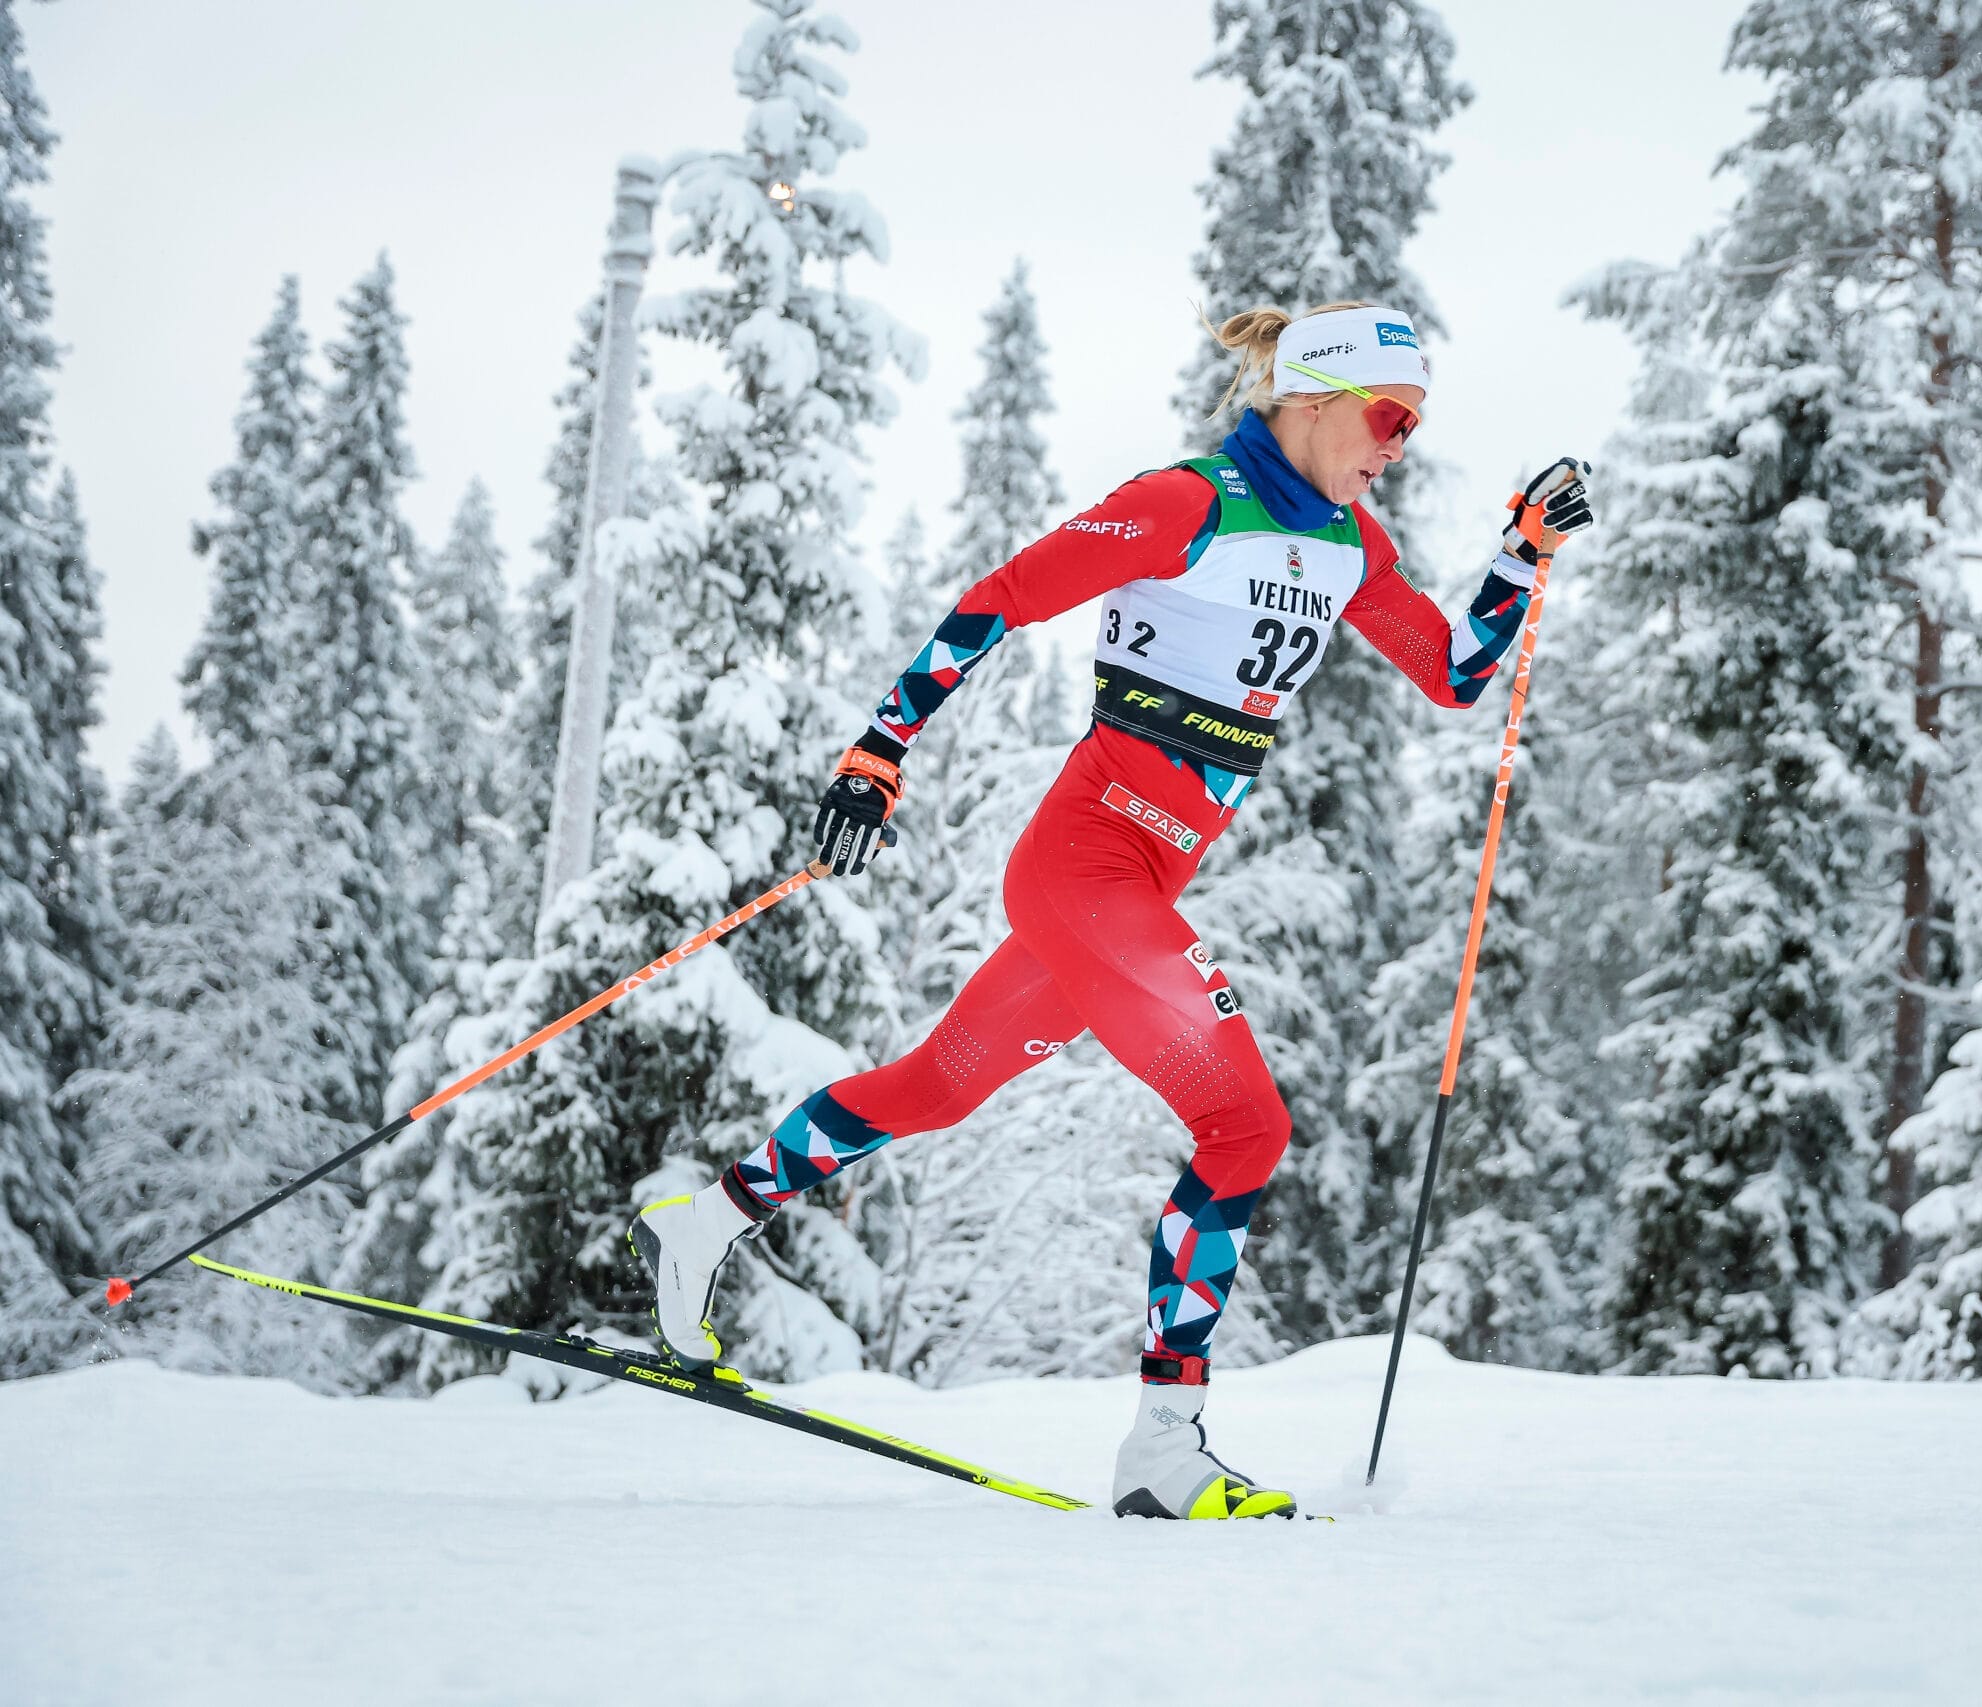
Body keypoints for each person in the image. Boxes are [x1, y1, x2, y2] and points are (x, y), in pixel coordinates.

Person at [628, 301, 1592, 1519]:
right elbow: (999, 597)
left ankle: (701, 1225)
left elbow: (1454, 675)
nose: (1396, 443)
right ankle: (1164, 1452)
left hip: (1136, 884)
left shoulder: (1350, 544)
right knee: (1245, 1126)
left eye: (1411, 427)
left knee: (933, 1087)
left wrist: (1520, 551)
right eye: (1387, 417)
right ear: (1309, 398)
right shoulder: (1189, 502)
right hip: (1086, 868)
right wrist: (878, 754)